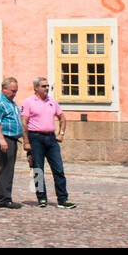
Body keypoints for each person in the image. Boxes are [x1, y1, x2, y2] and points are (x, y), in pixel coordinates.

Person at [21, 76, 77, 209]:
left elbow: (62, 118)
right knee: (38, 170)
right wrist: (26, 142)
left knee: (59, 169)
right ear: (36, 88)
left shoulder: (52, 101)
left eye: (48, 86)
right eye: (43, 86)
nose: (47, 88)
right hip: (35, 138)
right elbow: (24, 122)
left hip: (51, 139)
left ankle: (63, 199)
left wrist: (61, 134)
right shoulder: (28, 102)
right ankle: (42, 198)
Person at [0, 76, 24, 208]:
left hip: (10, 138)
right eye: (13, 91)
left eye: (16, 91)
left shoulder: (9, 101)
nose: (15, 94)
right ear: (4, 89)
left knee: (5, 168)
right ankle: (5, 199)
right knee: (7, 168)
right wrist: (2, 139)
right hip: (3, 138)